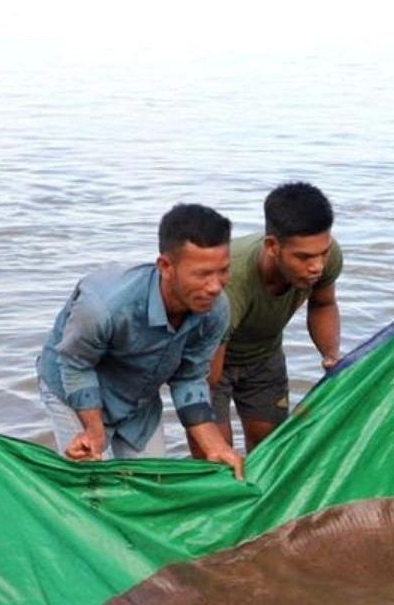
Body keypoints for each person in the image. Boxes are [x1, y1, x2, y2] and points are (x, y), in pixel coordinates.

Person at [37, 204, 245, 479]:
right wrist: (94, 433)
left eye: (223, 271)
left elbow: (190, 377)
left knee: (153, 484)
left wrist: (214, 445)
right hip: (73, 385)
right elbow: (75, 365)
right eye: (202, 274)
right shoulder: (103, 306)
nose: (215, 286)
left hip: (138, 397)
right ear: (166, 267)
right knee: (95, 485)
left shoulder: (216, 309)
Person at [211, 182, 344, 452]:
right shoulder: (231, 281)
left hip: (264, 355)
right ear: (272, 246)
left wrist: (331, 353)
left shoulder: (326, 259)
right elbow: (207, 371)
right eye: (304, 257)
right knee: (216, 458)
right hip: (210, 360)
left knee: (270, 449)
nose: (317, 266)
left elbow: (323, 304)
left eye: (323, 252)